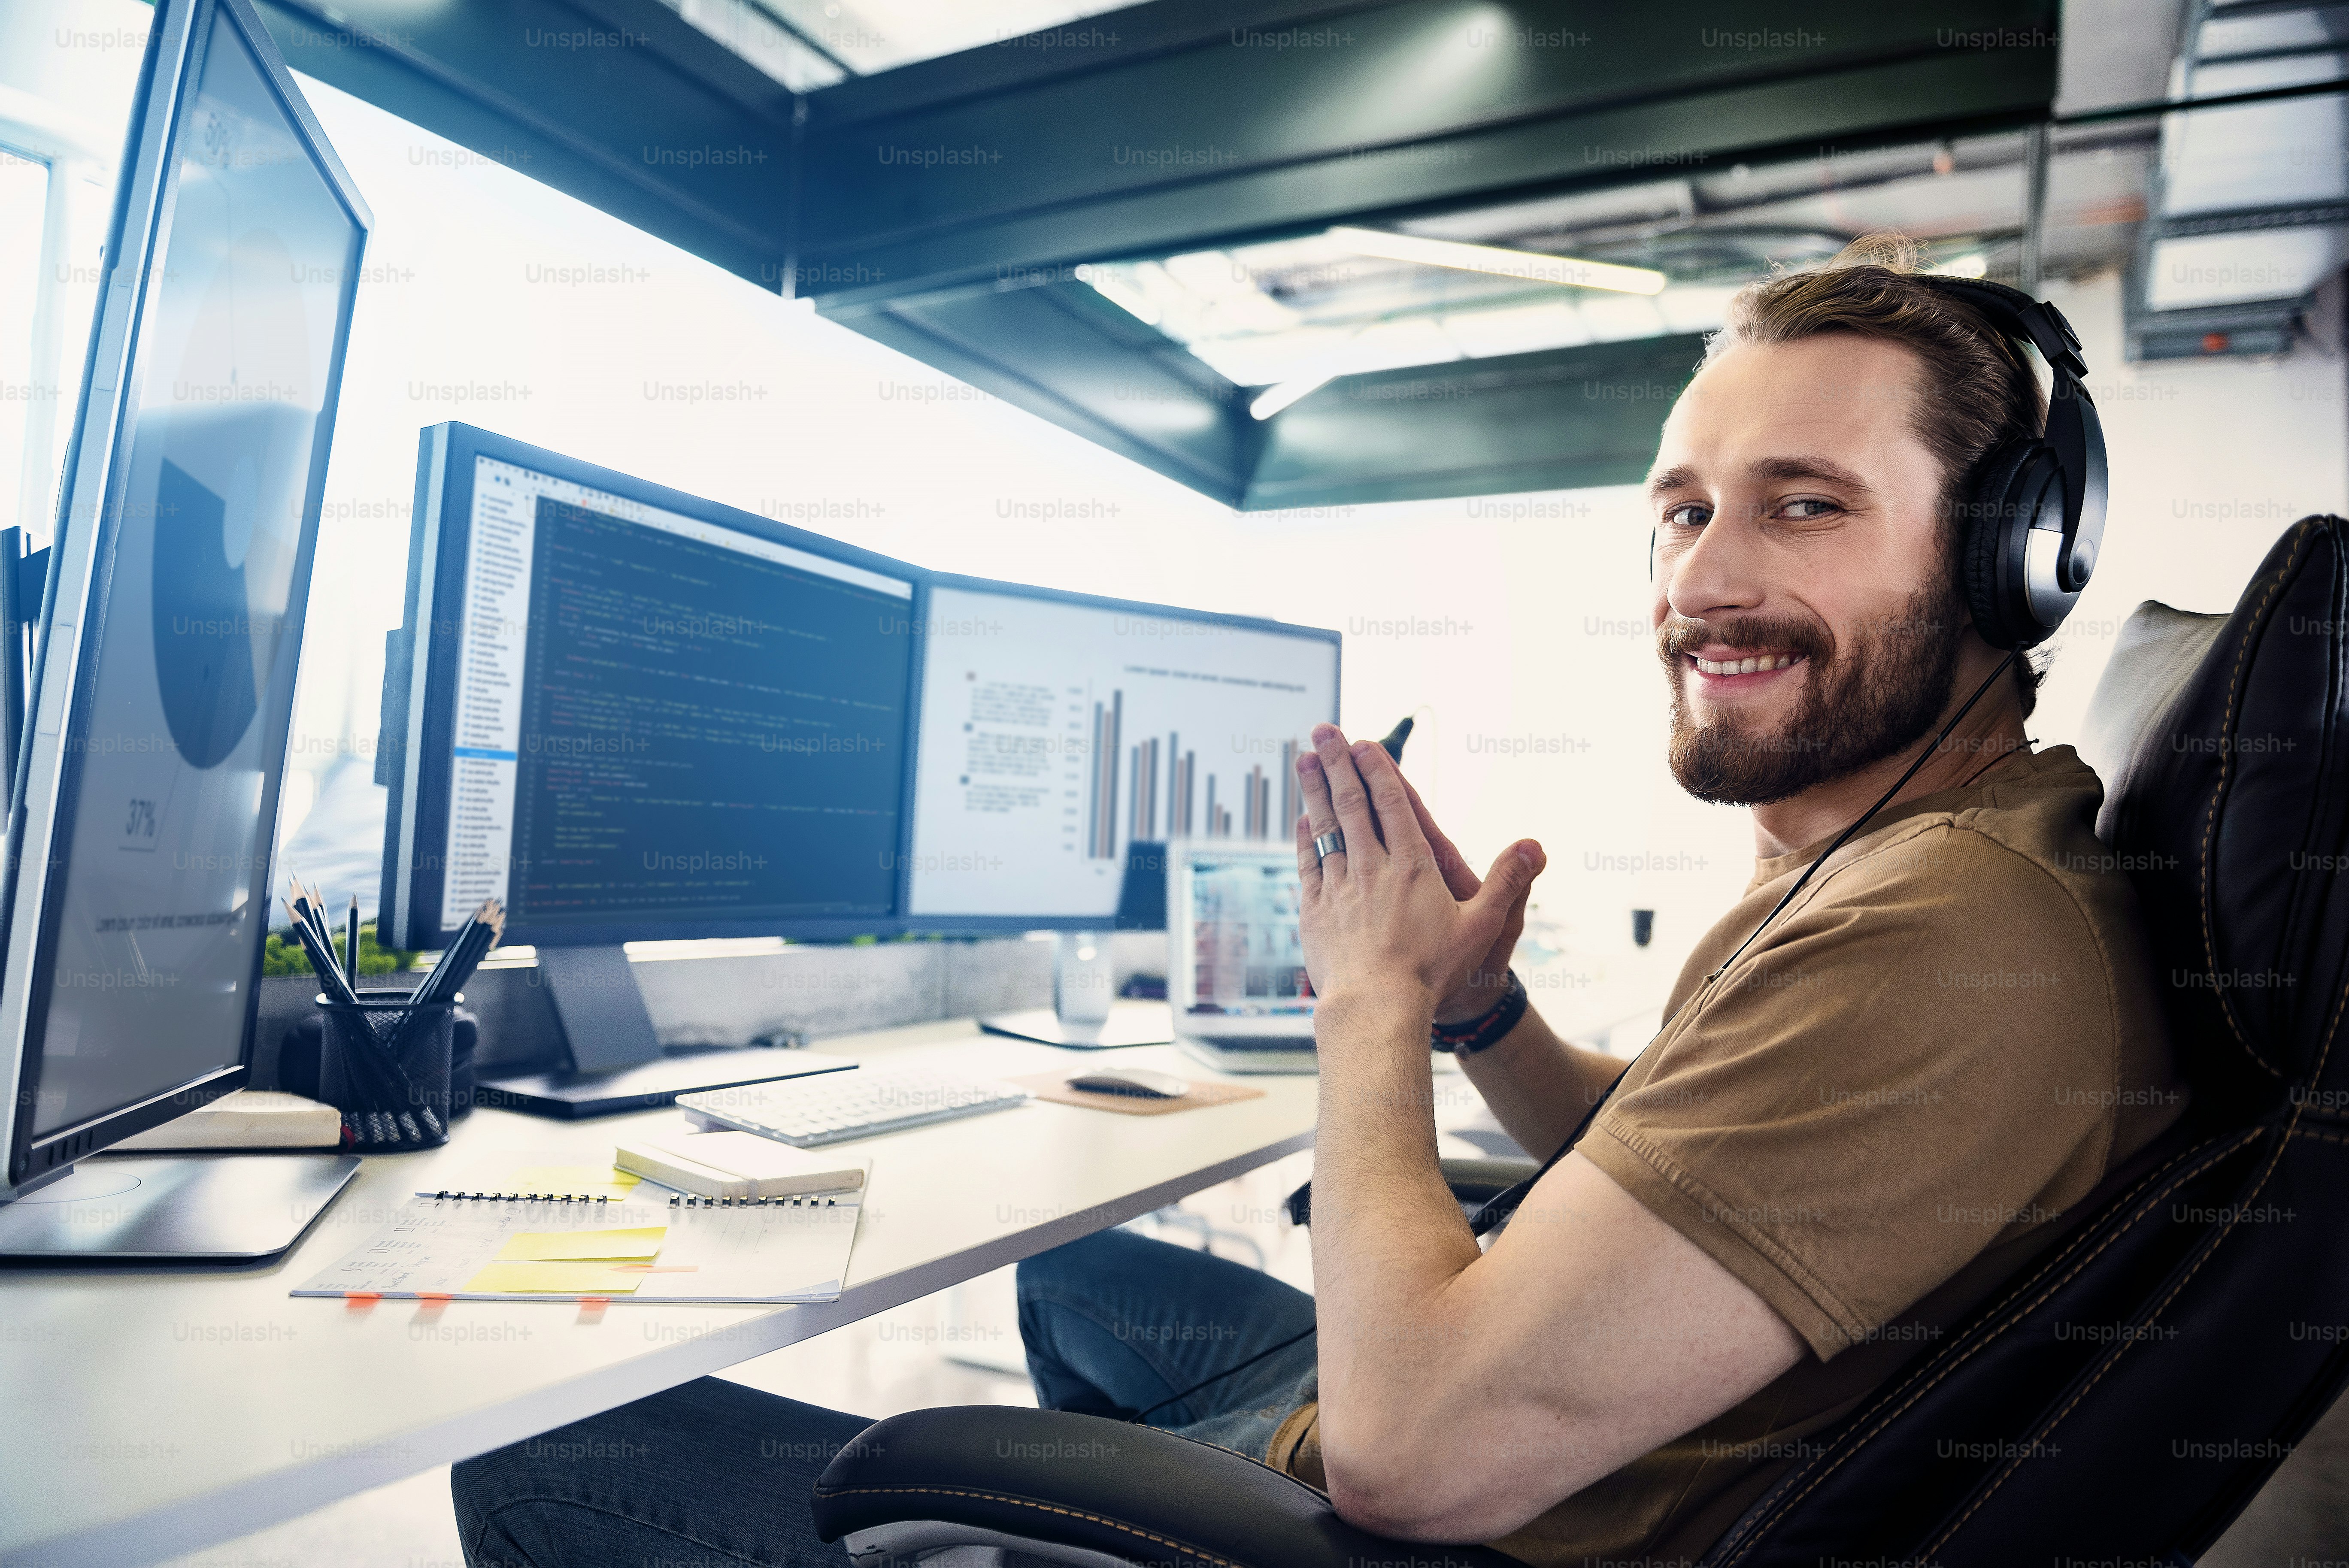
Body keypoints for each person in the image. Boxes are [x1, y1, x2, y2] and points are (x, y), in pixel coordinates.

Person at [449, 235, 2184, 1565]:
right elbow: (1675, 1156)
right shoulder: (1907, 860)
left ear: (2005, 554)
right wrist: (1474, 1013)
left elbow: (1412, 1449)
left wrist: (1357, 1000)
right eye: (1680, 513)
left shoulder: (1928, 940)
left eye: (1804, 507)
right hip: (1539, 1394)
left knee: (544, 1449)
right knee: (1078, 1283)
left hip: (1437, 1496)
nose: (1704, 577)